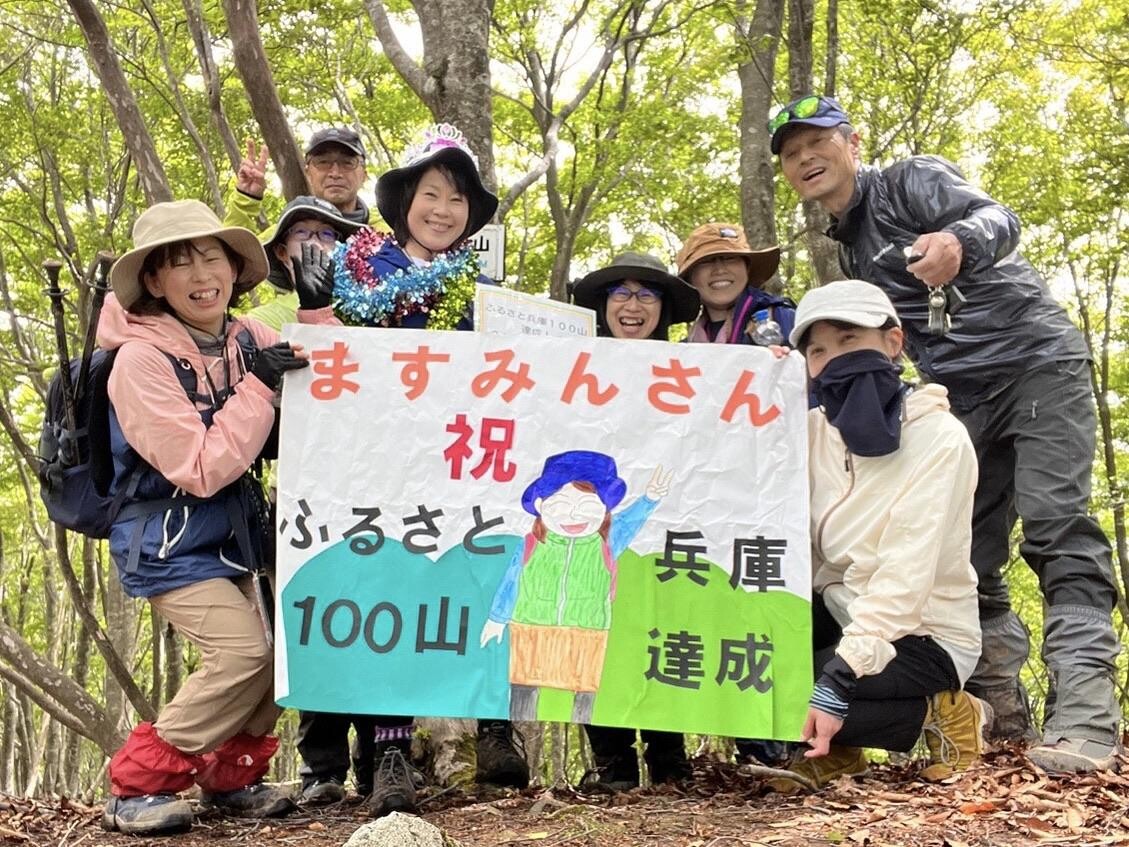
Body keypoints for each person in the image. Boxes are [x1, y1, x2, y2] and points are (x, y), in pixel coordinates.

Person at [771, 95, 1122, 773]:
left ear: (852, 142)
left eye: (818, 142)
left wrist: (959, 242)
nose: (805, 158)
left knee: (1055, 528)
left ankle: (1083, 714)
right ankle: (994, 712)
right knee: (968, 552)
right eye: (790, 153)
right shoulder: (850, 255)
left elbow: (999, 216)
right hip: (957, 396)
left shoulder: (911, 182)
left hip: (1033, 363)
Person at [296, 123, 529, 815]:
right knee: (386, 591)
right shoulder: (355, 270)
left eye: (458, 199)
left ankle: (493, 724)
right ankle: (391, 752)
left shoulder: (486, 288)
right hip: (378, 465)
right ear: (404, 200)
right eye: (431, 193)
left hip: (466, 460)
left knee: (482, 572)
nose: (443, 209)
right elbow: (327, 351)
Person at [97, 200, 308, 834]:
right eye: (178, 262)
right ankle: (137, 784)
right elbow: (200, 466)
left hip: (240, 535)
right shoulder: (139, 362)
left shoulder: (246, 340)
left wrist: (318, 307)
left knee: (285, 655)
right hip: (165, 540)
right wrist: (259, 388)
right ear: (155, 283)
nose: (200, 272)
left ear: (235, 267)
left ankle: (231, 777)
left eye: (211, 255)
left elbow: (324, 365)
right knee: (245, 653)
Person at [767, 279, 986, 793]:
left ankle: (942, 712)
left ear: (893, 343)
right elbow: (741, 469)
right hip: (837, 604)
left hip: (923, 631)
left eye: (849, 341)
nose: (833, 360)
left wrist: (840, 677)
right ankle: (839, 753)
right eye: (817, 350)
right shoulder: (814, 430)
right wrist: (764, 385)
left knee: (792, 690)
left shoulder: (939, 440)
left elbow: (905, 576)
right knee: (745, 665)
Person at [568, 251, 698, 790]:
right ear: (602, 305)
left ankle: (671, 761)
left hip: (669, 528)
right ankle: (613, 763)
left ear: (664, 309)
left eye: (647, 294)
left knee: (659, 629)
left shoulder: (698, 368)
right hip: (591, 532)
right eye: (620, 293)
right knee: (598, 632)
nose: (633, 305)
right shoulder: (572, 366)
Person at [227, 127, 371, 331]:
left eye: (347, 163)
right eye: (323, 162)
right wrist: (245, 200)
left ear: (364, 173)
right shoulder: (268, 321)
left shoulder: (388, 231)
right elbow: (229, 260)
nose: (335, 173)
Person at [674, 223, 795, 345]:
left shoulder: (787, 321)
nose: (720, 270)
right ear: (689, 278)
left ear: (747, 268)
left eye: (729, 258)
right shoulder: (683, 352)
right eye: (706, 261)